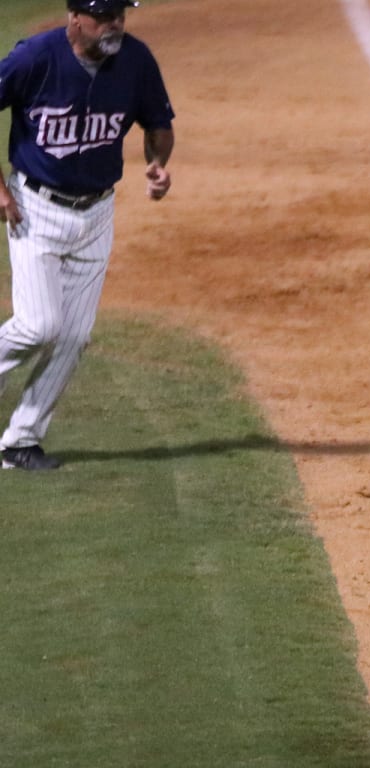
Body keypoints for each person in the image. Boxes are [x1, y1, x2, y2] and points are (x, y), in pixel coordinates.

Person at [0, 0, 174, 471]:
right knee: (39, 326)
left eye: (121, 13)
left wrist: (158, 163)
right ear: (76, 17)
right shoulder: (34, 57)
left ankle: (20, 443)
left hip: (96, 213)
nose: (115, 23)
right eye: (105, 15)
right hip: (35, 208)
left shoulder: (135, 60)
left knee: (74, 336)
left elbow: (158, 122)